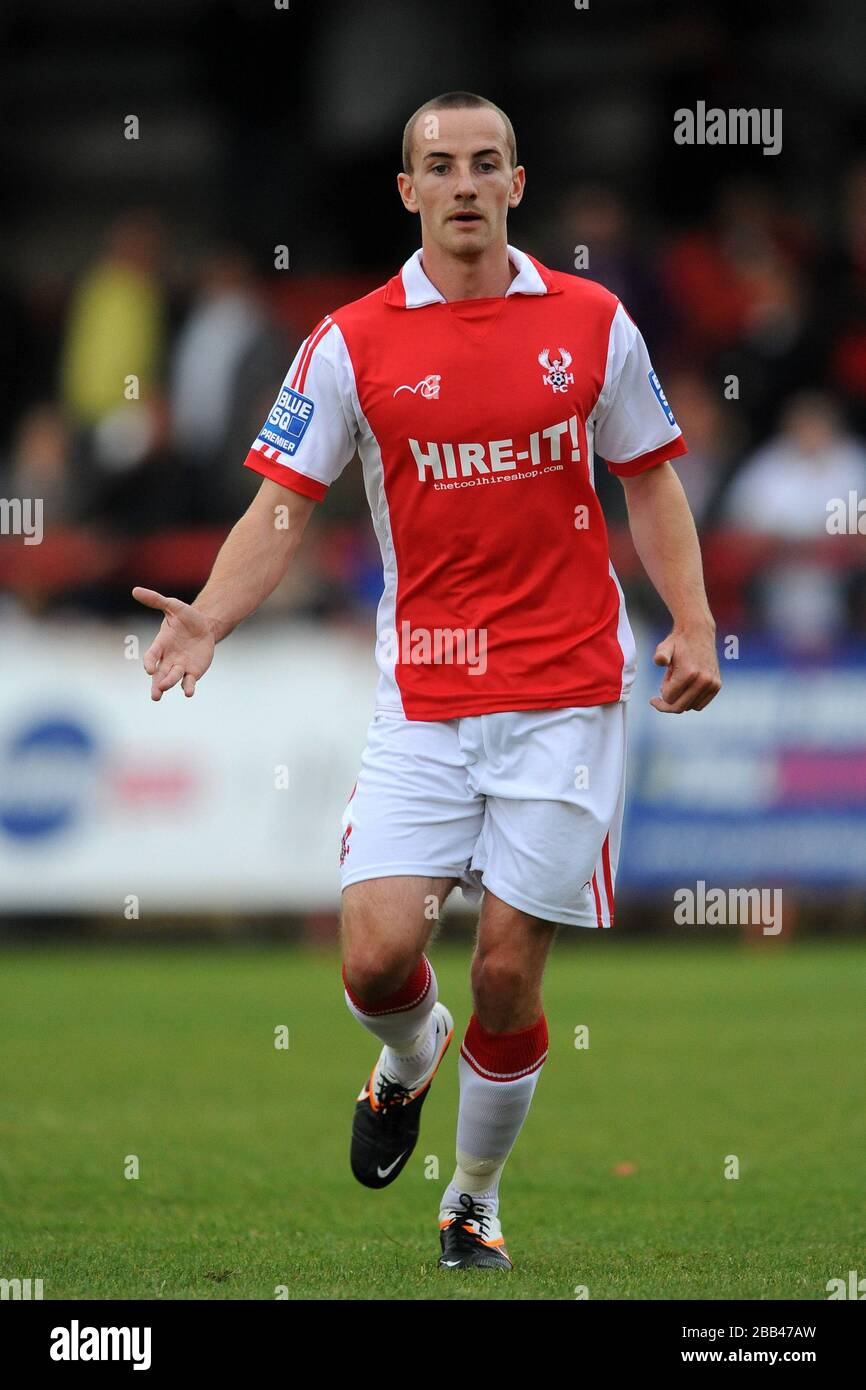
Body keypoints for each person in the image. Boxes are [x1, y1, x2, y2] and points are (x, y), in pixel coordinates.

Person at [133, 91, 721, 1271]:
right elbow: (282, 506)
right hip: (426, 694)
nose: (462, 183)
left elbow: (649, 481)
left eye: (484, 164)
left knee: (507, 969)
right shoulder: (348, 341)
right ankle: (408, 1055)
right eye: (439, 166)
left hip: (563, 693)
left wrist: (694, 622)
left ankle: (473, 1198)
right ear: (406, 192)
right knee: (371, 957)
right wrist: (209, 615)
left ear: (516, 183)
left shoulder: (594, 321)